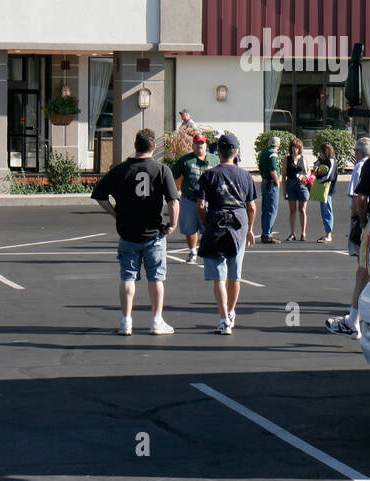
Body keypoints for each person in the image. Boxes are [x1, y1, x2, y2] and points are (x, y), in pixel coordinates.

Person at [92, 128, 180, 336]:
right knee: (156, 278)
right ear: (154, 147)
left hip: (128, 232)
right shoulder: (161, 169)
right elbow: (173, 201)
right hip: (154, 234)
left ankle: (126, 320)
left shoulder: (120, 170)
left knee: (127, 277)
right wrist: (173, 224)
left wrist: (114, 213)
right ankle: (156, 320)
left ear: (135, 146)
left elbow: (99, 195)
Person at [195, 133, 257, 335]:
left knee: (219, 277)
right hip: (239, 223)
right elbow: (252, 206)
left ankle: (224, 319)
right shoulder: (245, 176)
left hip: (217, 221)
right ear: (236, 152)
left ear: (218, 152)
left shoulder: (209, 175)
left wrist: (205, 221)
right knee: (235, 274)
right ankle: (231, 312)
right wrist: (250, 230)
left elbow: (201, 205)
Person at [325, 137, 370, 340]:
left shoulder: (369, 164)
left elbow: (359, 198)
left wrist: (361, 221)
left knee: (363, 271)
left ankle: (354, 321)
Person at [172, 133, 218, 263]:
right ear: (193, 145)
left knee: (210, 228)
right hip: (190, 199)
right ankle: (192, 252)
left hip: (210, 200)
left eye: (202, 143)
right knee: (190, 229)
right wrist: (176, 191)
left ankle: (209, 251)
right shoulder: (185, 160)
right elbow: (173, 175)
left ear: (206, 145)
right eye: (197, 143)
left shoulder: (214, 159)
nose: (199, 146)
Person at [283, 138, 310, 241]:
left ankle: (303, 233)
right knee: (292, 210)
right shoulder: (287, 159)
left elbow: (309, 171)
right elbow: (284, 175)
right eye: (293, 147)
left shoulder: (303, 158)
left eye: (297, 148)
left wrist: (305, 176)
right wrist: (284, 190)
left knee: (302, 209)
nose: (295, 149)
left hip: (302, 185)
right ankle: (292, 233)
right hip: (291, 184)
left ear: (300, 149)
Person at [311, 142, 338, 243]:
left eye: (321, 152)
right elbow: (315, 169)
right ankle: (327, 233)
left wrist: (319, 180)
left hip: (328, 189)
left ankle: (328, 234)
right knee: (324, 211)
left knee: (327, 211)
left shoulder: (331, 161)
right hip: (323, 189)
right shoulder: (322, 160)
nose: (319, 153)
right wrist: (318, 163)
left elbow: (329, 176)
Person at [258, 134, 281, 243]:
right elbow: (273, 170)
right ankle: (267, 234)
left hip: (264, 182)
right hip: (270, 184)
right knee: (271, 209)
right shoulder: (273, 154)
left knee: (266, 209)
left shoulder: (264, 153)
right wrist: (277, 182)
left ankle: (265, 232)